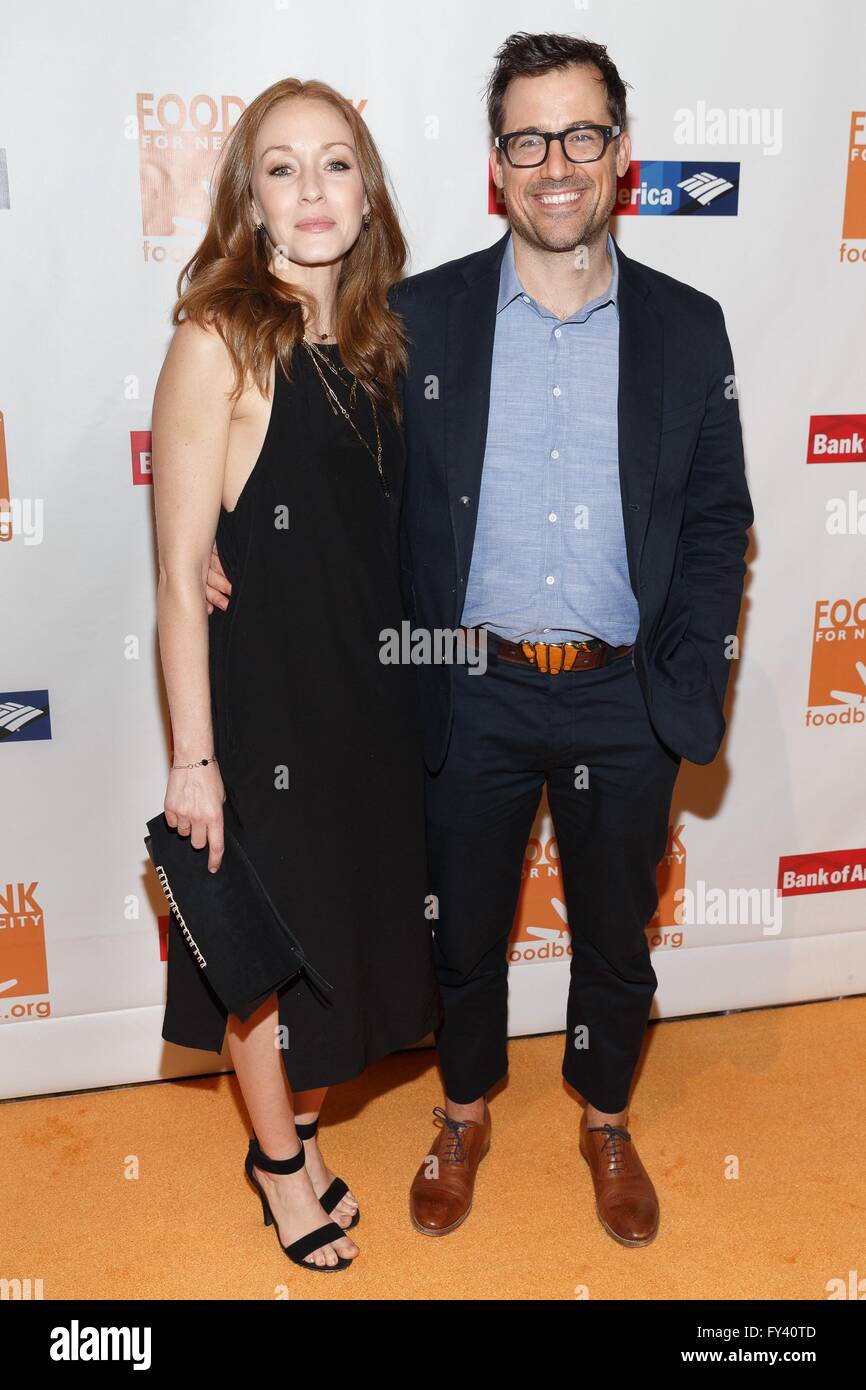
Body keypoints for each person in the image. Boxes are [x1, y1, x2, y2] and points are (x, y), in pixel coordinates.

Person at [207, 33, 753, 1250]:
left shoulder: (687, 327)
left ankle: (603, 1114)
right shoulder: (421, 315)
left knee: (615, 936)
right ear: (494, 164)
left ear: (620, 154)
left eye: (579, 135)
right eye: (525, 139)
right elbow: (325, 461)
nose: (553, 163)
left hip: (624, 694)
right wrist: (210, 527)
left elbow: (719, 519)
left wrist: (683, 672)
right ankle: (460, 1110)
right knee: (460, 936)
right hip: (465, 690)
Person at [152, 76, 441, 1272]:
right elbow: (176, 577)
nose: (312, 189)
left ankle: (300, 1138)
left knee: (345, 945)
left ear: (365, 189)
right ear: (249, 197)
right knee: (267, 959)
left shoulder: (381, 338)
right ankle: (280, 1169)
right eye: (282, 166)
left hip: (368, 706)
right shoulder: (219, 336)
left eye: (335, 162)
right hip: (265, 705)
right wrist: (194, 761)